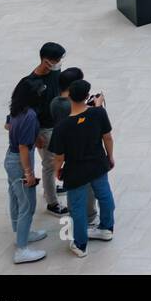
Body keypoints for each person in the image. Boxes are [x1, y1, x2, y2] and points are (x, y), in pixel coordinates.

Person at [49, 79, 116, 258]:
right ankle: (106, 228)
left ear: (69, 97)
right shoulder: (99, 114)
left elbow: (59, 156)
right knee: (104, 195)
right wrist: (110, 157)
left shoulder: (62, 127)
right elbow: (107, 138)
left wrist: (58, 169)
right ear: (87, 96)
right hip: (98, 164)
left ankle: (80, 244)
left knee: (77, 207)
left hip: (76, 171)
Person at [49, 67, 101, 226]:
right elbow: (91, 121)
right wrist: (96, 107)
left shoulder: (56, 103)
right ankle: (90, 218)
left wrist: (58, 167)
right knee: (88, 188)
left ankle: (74, 218)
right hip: (82, 153)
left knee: (73, 190)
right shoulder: (73, 109)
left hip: (67, 154)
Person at [5, 78, 48, 264]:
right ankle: (21, 249)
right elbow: (23, 146)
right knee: (27, 204)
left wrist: (34, 135)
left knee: (15, 197)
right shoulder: (29, 115)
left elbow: (8, 126)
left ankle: (22, 233)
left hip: (11, 158)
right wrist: (29, 173)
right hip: (20, 161)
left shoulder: (16, 109)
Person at [24, 42, 67, 216]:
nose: (59, 63)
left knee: (52, 163)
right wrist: (35, 136)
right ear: (45, 60)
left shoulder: (55, 72)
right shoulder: (32, 84)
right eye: (56, 60)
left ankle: (50, 189)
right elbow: (28, 113)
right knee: (49, 164)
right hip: (43, 129)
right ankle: (52, 203)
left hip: (55, 125)